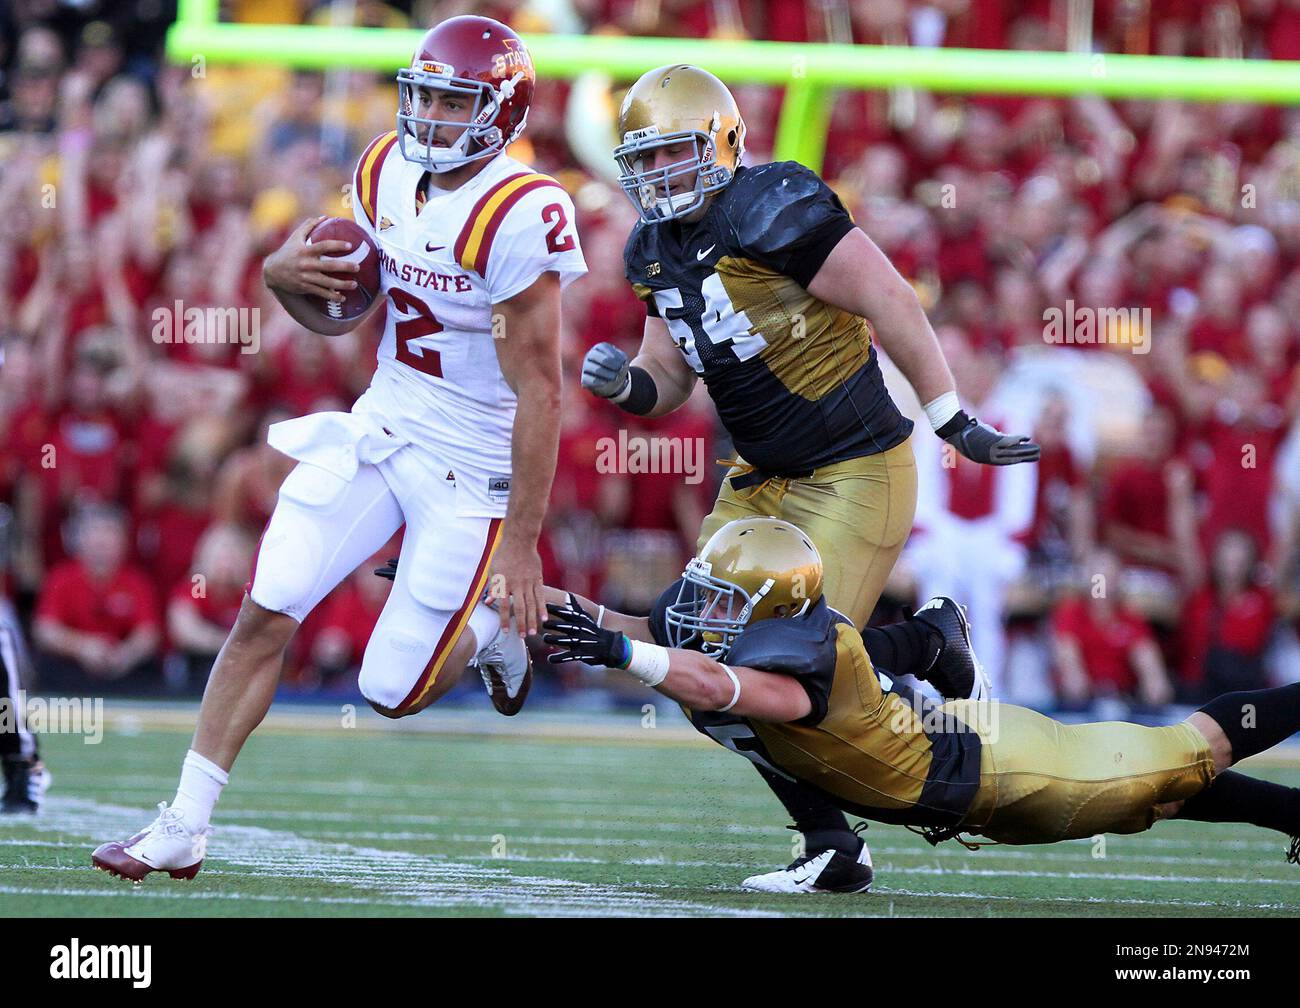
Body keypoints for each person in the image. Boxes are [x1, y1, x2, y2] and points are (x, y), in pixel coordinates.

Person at [90, 15, 587, 883]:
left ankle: (499, 634)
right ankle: (183, 824)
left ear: (501, 112)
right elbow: (341, 298)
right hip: (383, 426)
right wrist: (280, 274)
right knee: (265, 605)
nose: (427, 115)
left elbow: (543, 391)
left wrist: (519, 545)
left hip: (473, 470)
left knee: (389, 691)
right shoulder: (383, 169)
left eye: (451, 100)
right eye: (423, 95)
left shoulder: (521, 209)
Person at [577, 64, 1039, 889]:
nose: (658, 177)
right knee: (694, 654)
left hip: (855, 465)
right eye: (643, 160)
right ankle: (832, 842)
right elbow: (669, 373)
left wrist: (952, 419)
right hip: (760, 477)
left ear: (722, 143)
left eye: (674, 154)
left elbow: (891, 299)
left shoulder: (772, 205)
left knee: (781, 664)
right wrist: (627, 387)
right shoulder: (652, 246)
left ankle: (929, 641)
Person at [543, 518, 1300, 869]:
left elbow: (708, 680)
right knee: (1158, 789)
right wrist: (507, 594)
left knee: (1189, 753)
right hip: (967, 760)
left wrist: (618, 652)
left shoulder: (792, 672)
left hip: (1008, 777)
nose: (703, 615)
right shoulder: (795, 634)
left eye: (723, 603)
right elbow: (664, 635)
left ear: (772, 611)